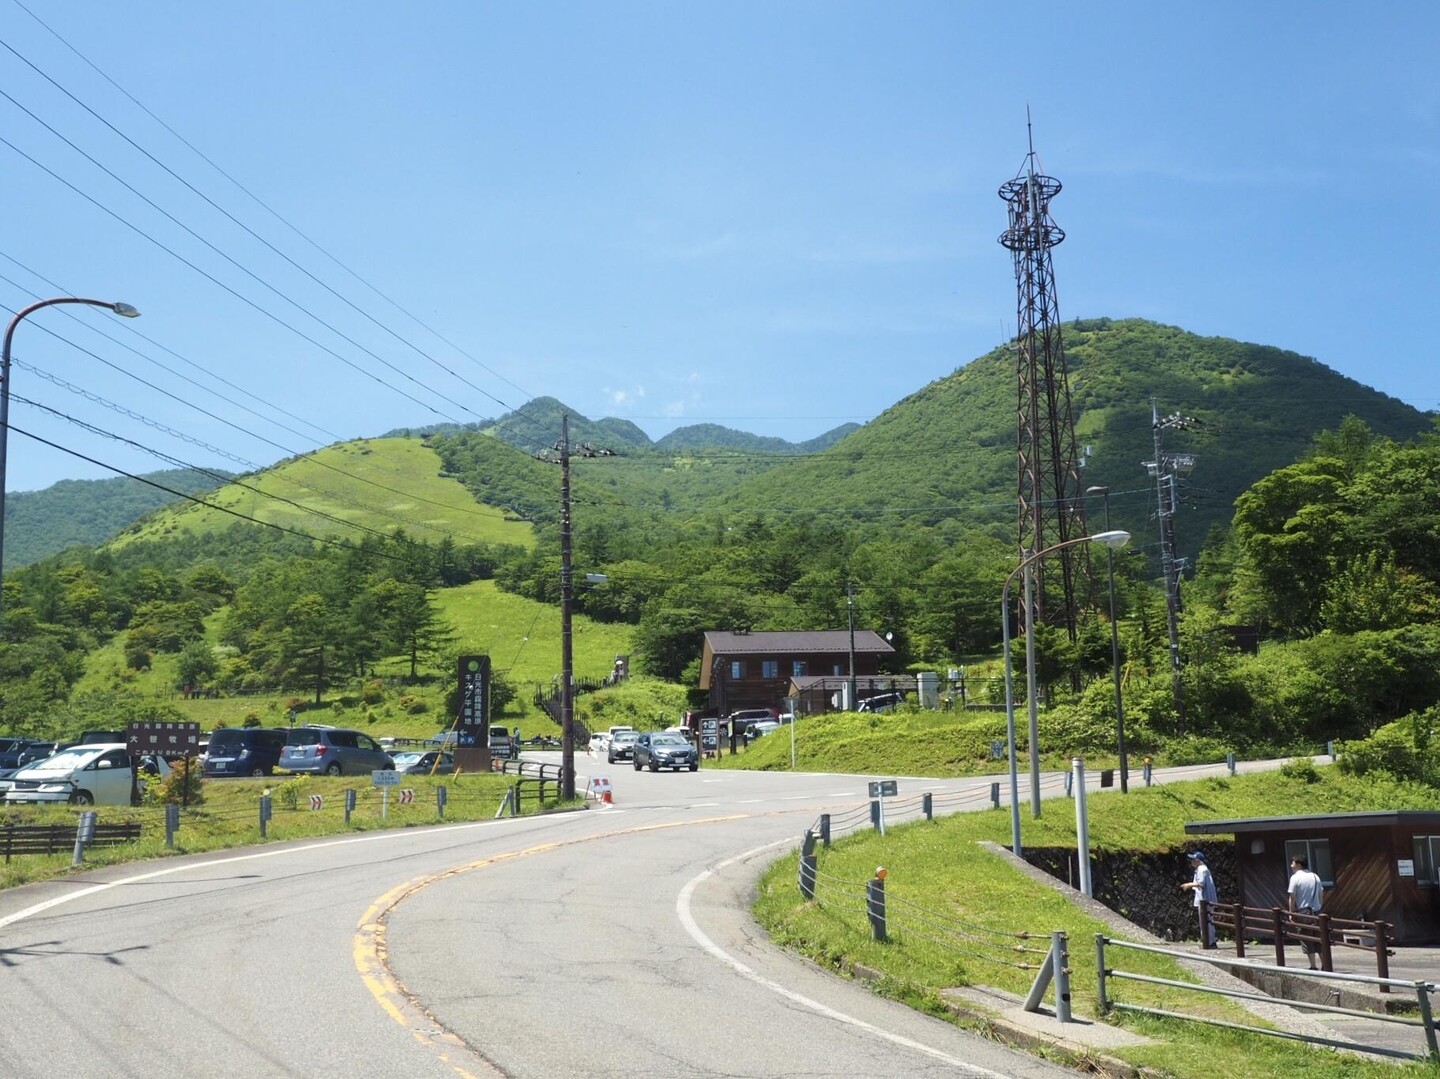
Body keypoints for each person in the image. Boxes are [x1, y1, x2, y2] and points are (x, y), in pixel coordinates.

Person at [1288, 856, 1325, 969]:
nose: (1291, 865)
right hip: (1317, 912)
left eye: (1293, 863)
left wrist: (1291, 913)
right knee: (1319, 938)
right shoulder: (1315, 876)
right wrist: (1319, 907)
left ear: (1299, 864)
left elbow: (1292, 897)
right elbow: (1320, 894)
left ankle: (1313, 966)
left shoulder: (1295, 878)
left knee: (1306, 938)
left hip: (1303, 912)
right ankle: (1325, 964)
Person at [1180, 850, 1218, 947]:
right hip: (1203, 900)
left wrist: (1188, 885)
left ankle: (1210, 942)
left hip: (1206, 900)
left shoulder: (1202, 869)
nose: (1191, 861)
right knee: (1205, 921)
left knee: (1207, 921)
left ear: (1198, 860)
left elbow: (1201, 883)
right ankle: (1208, 941)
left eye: (1193, 859)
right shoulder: (1199, 870)